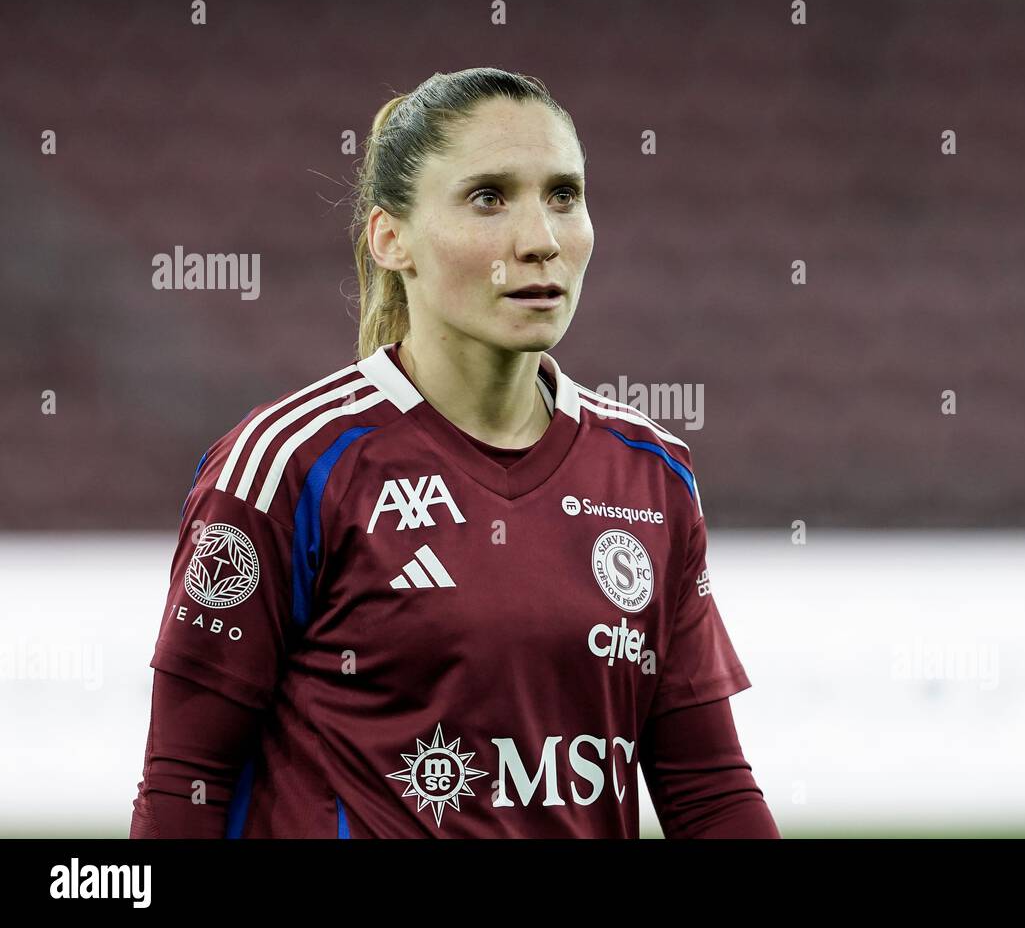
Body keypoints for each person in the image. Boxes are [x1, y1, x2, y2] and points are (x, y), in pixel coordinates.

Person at [129, 67, 778, 838]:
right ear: (390, 238)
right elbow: (185, 786)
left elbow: (707, 790)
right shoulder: (285, 465)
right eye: (488, 198)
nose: (539, 241)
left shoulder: (651, 471)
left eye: (563, 195)